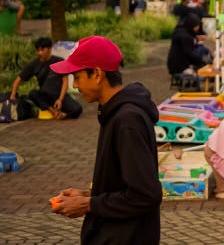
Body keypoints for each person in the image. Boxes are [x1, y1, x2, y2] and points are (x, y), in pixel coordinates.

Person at [51, 36, 162, 244]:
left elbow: (146, 194)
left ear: (97, 74)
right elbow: (127, 185)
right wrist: (88, 195)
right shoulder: (114, 113)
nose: (75, 86)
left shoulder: (127, 120)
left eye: (77, 77)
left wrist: (88, 205)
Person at [9, 37, 82, 120]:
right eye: (38, 50)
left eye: (42, 50)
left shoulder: (59, 61)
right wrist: (12, 96)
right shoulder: (33, 64)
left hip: (59, 95)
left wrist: (60, 99)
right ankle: (54, 112)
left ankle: (63, 115)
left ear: (49, 49)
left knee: (77, 109)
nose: (39, 53)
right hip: (44, 97)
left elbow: (65, 81)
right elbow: (18, 80)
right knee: (33, 93)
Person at [166, 13, 208, 77]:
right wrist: (202, 60)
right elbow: (189, 54)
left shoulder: (180, 30)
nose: (198, 28)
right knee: (203, 50)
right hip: (179, 66)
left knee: (201, 49)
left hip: (172, 63)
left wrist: (196, 38)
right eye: (197, 26)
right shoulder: (186, 37)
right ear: (192, 25)